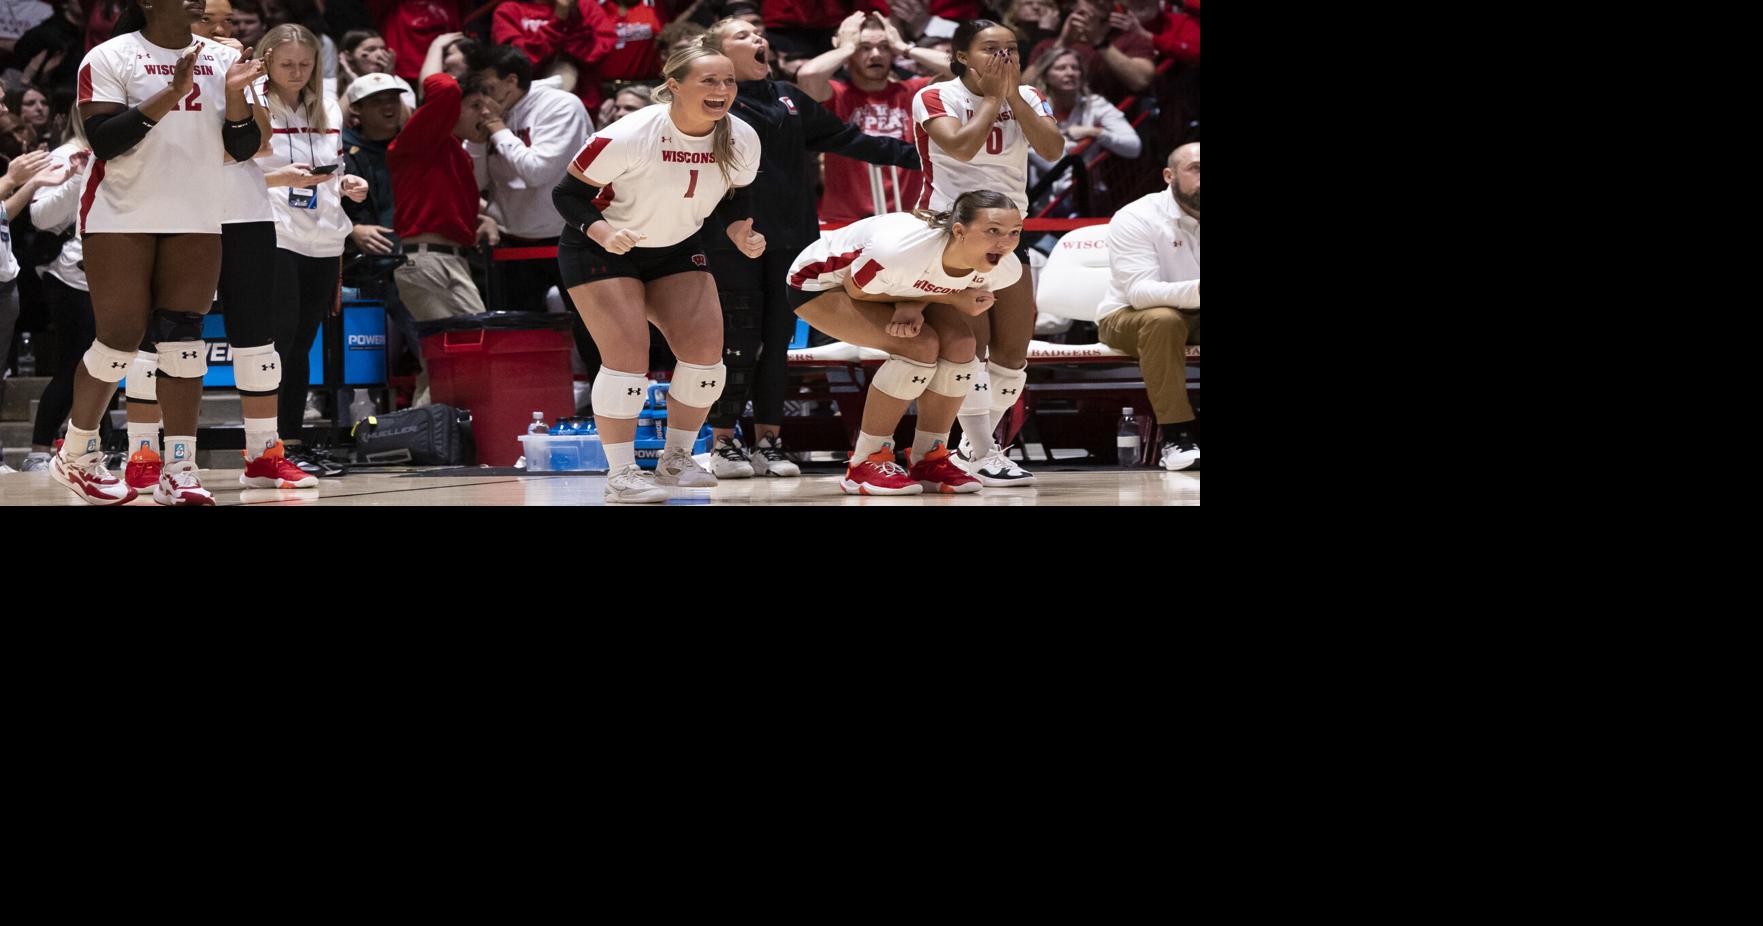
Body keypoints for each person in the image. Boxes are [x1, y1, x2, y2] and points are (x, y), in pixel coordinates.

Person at [52, 0, 262, 504]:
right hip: (121, 214)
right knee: (119, 340)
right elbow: (104, 141)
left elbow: (244, 145)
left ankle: (180, 471)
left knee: (183, 340)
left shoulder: (221, 56)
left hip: (197, 215)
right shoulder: (108, 57)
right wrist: (173, 92)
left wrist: (235, 96)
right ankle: (76, 454)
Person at [698, 16, 919, 479]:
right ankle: (723, 441)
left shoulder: (789, 99)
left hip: (793, 239)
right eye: (743, 35)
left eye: (758, 33)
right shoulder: (711, 105)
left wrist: (918, 155)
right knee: (738, 342)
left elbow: (848, 139)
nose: (759, 39)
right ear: (717, 54)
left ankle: (769, 440)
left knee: (777, 342)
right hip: (730, 240)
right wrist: (727, 227)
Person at [550, 43, 763, 503]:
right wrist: (604, 233)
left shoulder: (742, 136)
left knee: (708, 357)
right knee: (628, 361)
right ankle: (622, 474)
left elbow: (736, 196)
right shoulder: (630, 134)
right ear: (673, 87)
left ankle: (677, 459)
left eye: (728, 81)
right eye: (709, 81)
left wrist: (740, 232)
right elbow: (566, 195)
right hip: (601, 249)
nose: (722, 90)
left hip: (676, 246)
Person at [118, 2, 316, 489]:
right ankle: (143, 452)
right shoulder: (138, 59)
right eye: (209, 20)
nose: (223, 30)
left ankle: (264, 451)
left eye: (230, 21)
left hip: (243, 209)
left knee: (258, 338)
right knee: (158, 338)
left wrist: (239, 87)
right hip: (172, 209)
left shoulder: (237, 63)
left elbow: (259, 143)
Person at [786, 192, 1023, 495]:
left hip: (901, 286)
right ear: (959, 231)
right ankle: (865, 462)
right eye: (993, 231)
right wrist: (943, 299)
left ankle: (930, 458)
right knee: (919, 347)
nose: (1005, 242)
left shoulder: (1006, 267)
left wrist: (913, 304)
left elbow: (917, 284)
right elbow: (857, 291)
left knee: (963, 345)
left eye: (1014, 232)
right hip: (822, 284)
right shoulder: (899, 251)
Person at [912, 18, 1063, 486]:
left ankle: (972, 445)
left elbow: (1053, 148)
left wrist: (1013, 96)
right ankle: (981, 450)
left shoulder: (1031, 97)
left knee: (1013, 354)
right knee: (970, 349)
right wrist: (995, 98)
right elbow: (959, 147)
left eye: (1012, 50)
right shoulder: (934, 96)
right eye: (991, 50)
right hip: (950, 232)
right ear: (960, 56)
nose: (1004, 59)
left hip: (1007, 234)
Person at [254, 23, 370, 465]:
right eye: (287, 64)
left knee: (302, 343)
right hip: (274, 231)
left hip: (324, 235)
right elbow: (228, 171)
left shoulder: (327, 109)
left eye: (305, 64)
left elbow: (333, 171)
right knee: (279, 340)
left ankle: (293, 442)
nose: (297, 72)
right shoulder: (251, 105)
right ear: (266, 61)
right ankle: (270, 443)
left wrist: (348, 184)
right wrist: (281, 179)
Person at [388, 55, 492, 406]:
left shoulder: (456, 154)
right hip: (425, 262)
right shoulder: (420, 140)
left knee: (462, 350)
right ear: (451, 111)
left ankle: (427, 439)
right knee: (454, 352)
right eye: (475, 106)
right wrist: (451, 62)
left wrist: (483, 220)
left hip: (451, 262)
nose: (485, 115)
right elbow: (444, 89)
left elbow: (444, 208)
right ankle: (429, 436)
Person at [1096, 142, 1199, 471]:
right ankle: (1176, 436)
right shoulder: (1137, 216)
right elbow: (1140, 293)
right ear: (1169, 175)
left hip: (1192, 314)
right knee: (1163, 319)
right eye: (1196, 169)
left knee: (1168, 318)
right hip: (1127, 316)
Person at [796, 11, 950, 225]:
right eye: (864, 48)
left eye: (884, 47)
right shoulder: (836, 93)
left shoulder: (913, 91)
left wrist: (905, 47)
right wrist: (846, 47)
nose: (876, 54)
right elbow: (807, 75)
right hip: (846, 220)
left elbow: (964, 72)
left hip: (908, 218)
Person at [17, 103, 93, 472]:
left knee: (103, 368)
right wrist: (78, 176)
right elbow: (42, 216)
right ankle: (39, 449)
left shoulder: (130, 150)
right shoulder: (67, 155)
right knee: (73, 364)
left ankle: (90, 446)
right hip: (70, 275)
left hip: (116, 272)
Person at [1026, 43, 1139, 213]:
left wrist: (1095, 132)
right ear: (1046, 76)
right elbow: (1055, 163)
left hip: (1089, 198)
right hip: (1045, 206)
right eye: (1061, 68)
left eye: (1075, 68)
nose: (1070, 73)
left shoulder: (1094, 105)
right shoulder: (1032, 111)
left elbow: (1133, 147)